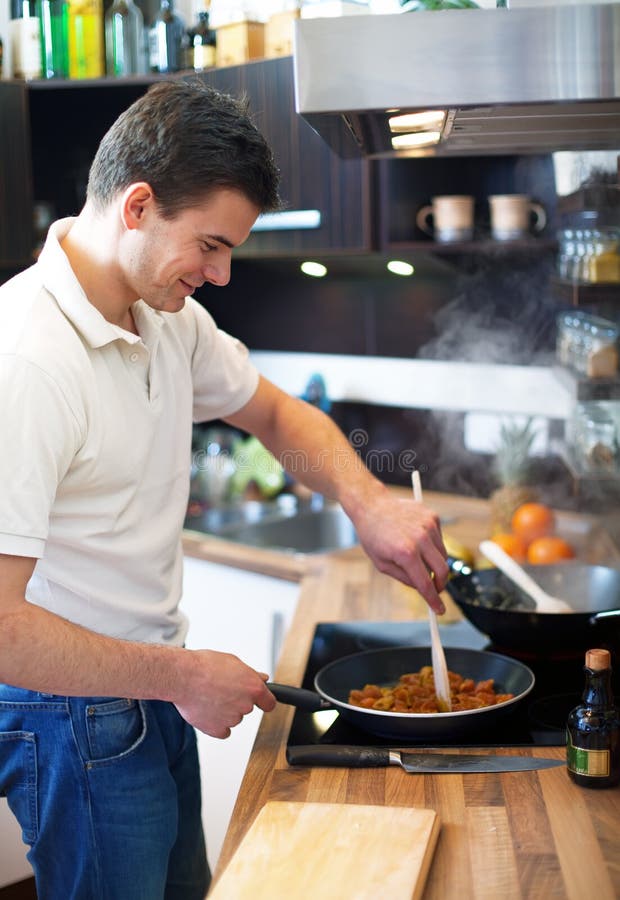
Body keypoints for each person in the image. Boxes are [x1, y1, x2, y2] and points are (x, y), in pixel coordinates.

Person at [0, 80, 448, 899]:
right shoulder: (27, 360)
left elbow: (276, 414)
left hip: (149, 686)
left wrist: (369, 503)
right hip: (70, 712)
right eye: (210, 245)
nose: (222, 273)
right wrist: (179, 677)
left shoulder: (164, 315)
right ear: (138, 206)